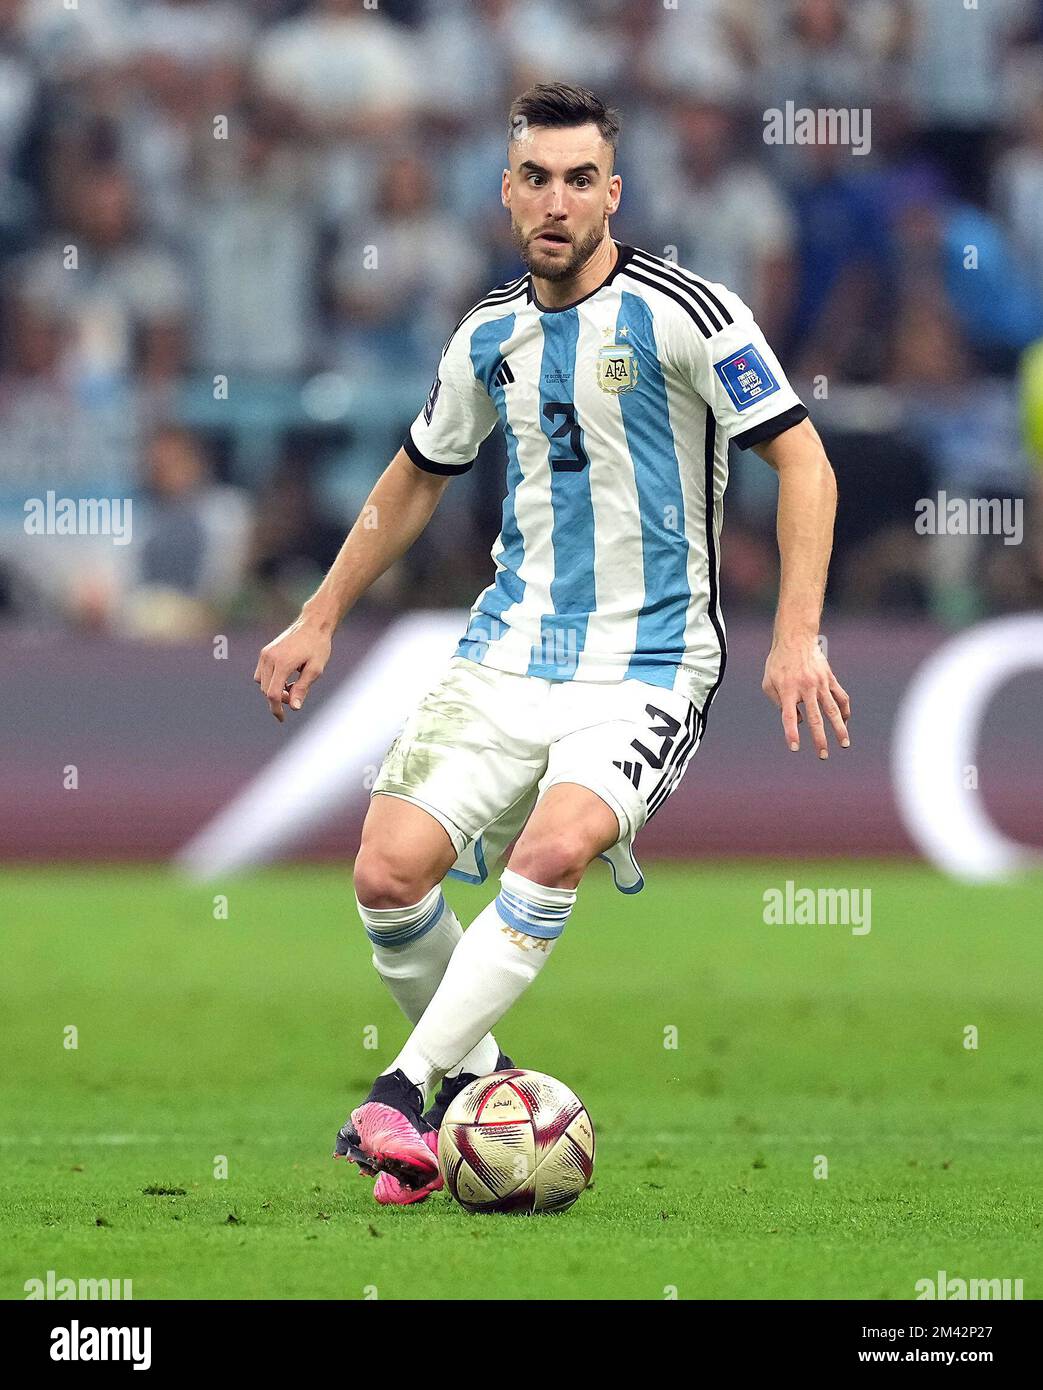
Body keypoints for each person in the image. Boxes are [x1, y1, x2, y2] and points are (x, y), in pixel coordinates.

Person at [253, 83, 850, 1206]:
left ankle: (402, 1091)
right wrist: (320, 610)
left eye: (580, 179)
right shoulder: (488, 333)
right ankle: (488, 1095)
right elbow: (415, 478)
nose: (557, 200)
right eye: (535, 177)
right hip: (510, 647)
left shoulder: (689, 312)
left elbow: (804, 461)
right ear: (506, 191)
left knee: (548, 851)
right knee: (386, 876)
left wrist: (796, 634)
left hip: (650, 663)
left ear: (612, 193)